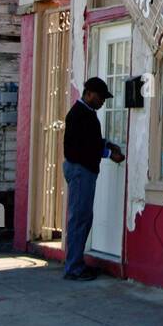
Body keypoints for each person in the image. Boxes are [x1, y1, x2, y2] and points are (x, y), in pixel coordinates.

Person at [61, 76, 125, 281]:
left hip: (82, 170)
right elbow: (84, 146)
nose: (103, 101)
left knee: (83, 218)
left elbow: (91, 141)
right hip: (81, 170)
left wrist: (107, 144)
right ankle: (73, 268)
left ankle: (76, 263)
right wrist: (108, 154)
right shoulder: (80, 114)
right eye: (100, 97)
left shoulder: (84, 113)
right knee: (79, 219)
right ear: (89, 94)